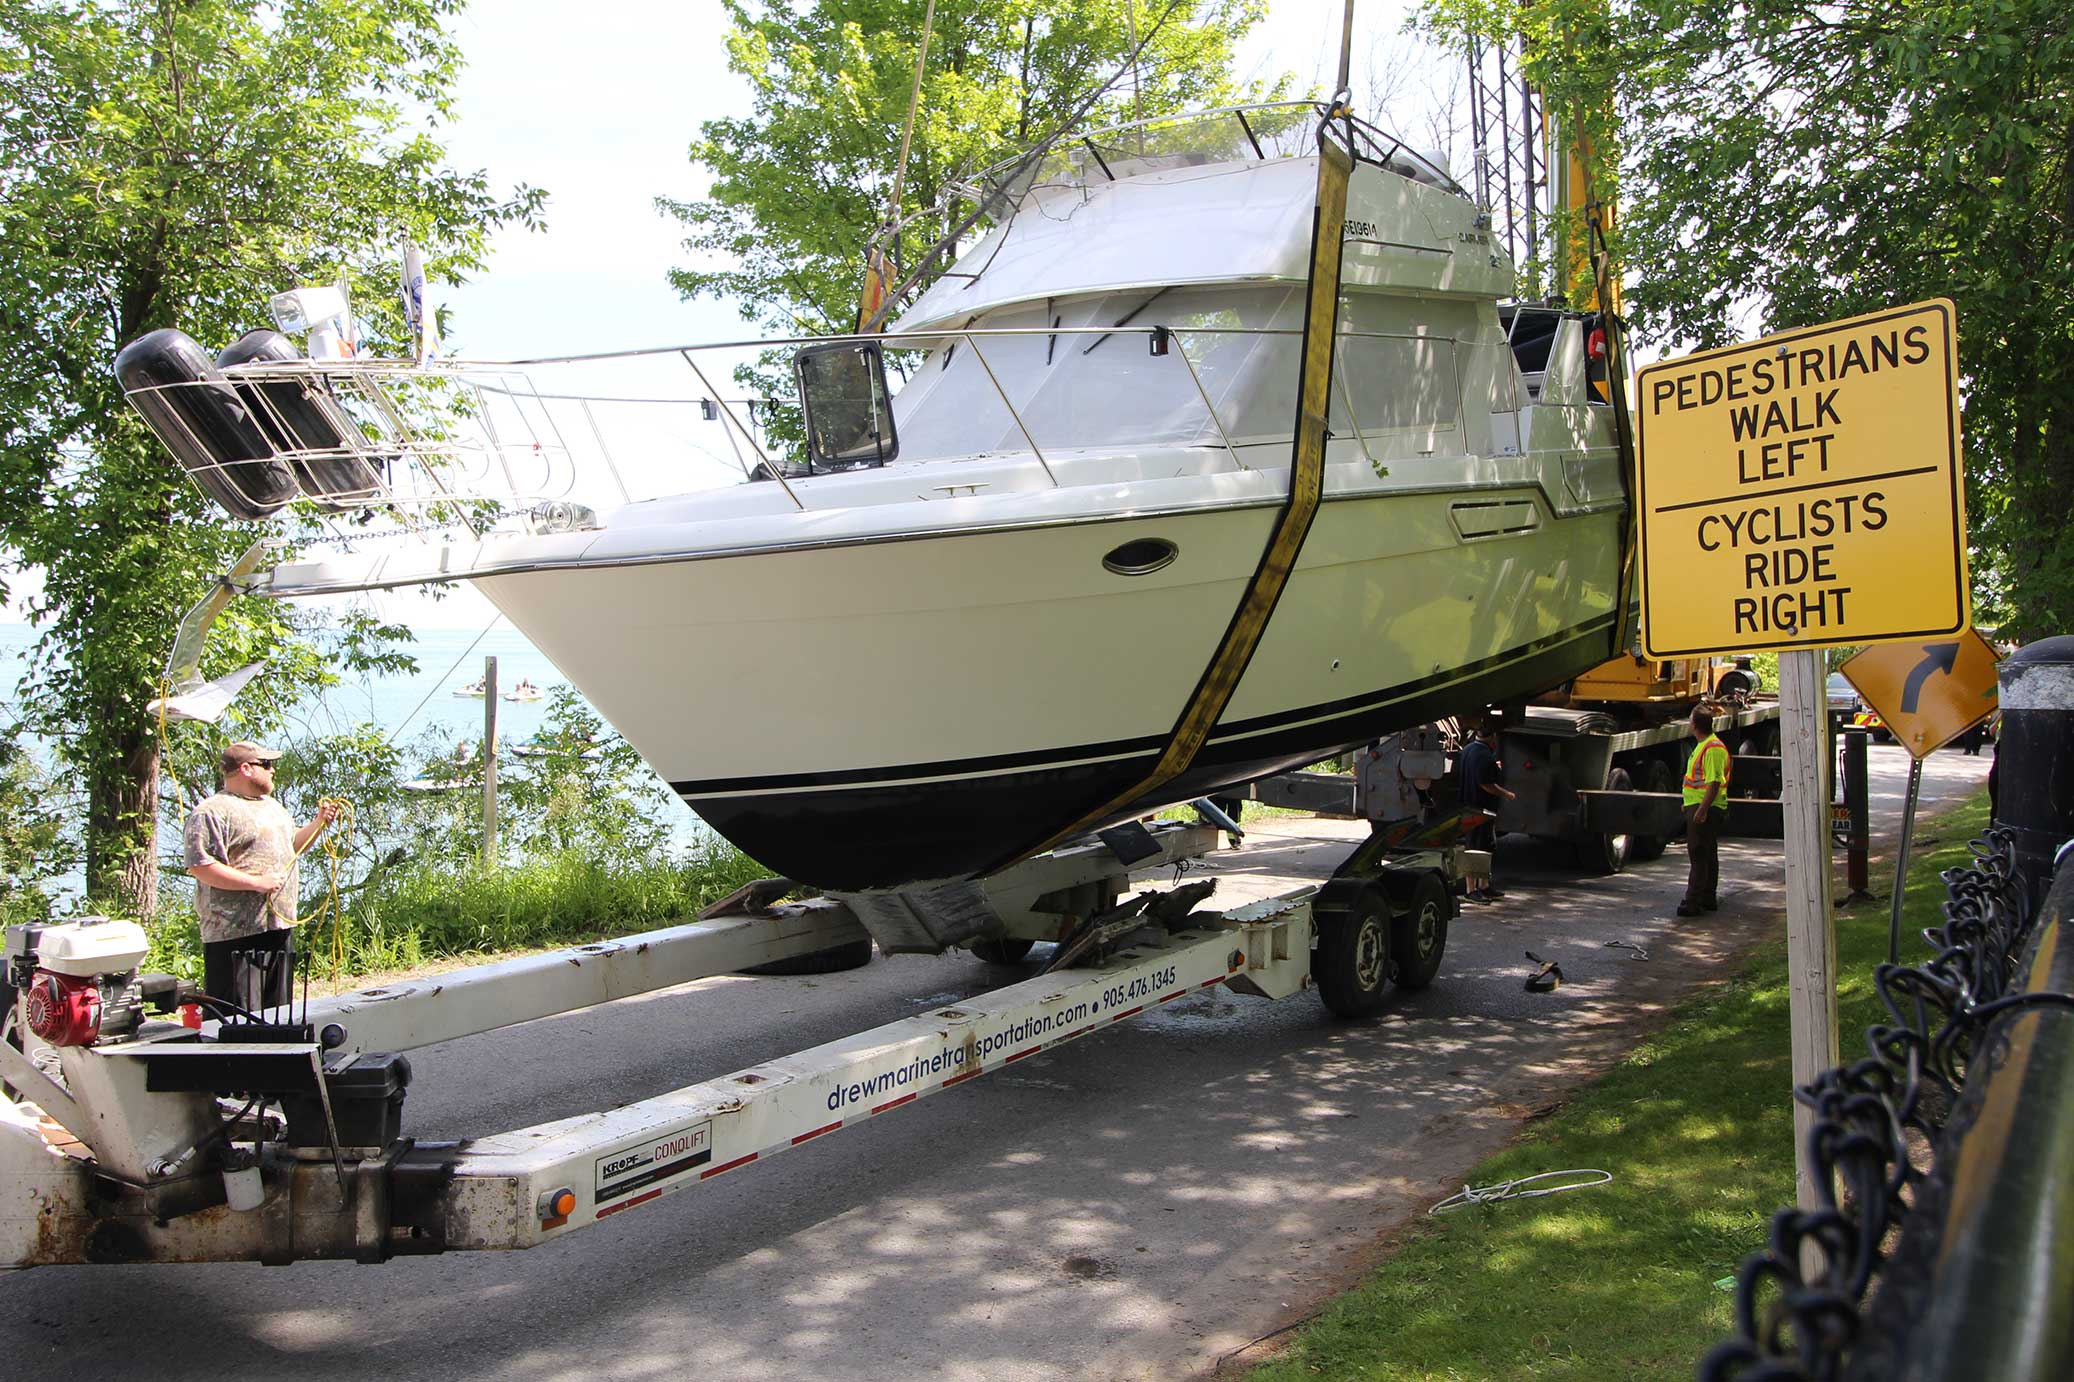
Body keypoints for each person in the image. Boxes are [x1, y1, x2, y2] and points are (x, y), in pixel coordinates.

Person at [183, 742, 340, 1011]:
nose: (272, 770)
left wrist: (318, 824)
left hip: (278, 926)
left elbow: (292, 847)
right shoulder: (211, 811)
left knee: (277, 1013)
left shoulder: (273, 807)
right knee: (237, 1017)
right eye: (266, 765)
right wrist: (256, 883)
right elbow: (200, 866)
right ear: (245, 769)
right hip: (233, 934)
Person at [1677, 706, 1732, 917]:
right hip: (1700, 805)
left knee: (1698, 852)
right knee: (1707, 851)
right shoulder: (1705, 746)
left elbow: (1714, 783)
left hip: (1706, 808)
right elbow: (1697, 782)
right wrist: (1690, 804)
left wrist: (1701, 809)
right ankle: (1707, 897)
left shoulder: (1712, 748)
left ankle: (1693, 901)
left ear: (1694, 725)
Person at [1457, 720, 1516, 902]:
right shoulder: (1484, 756)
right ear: (1492, 738)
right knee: (1476, 848)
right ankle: (1471, 890)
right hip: (1481, 809)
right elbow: (1486, 784)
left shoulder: (1467, 750)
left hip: (1468, 806)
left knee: (1485, 846)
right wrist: (1507, 794)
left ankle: (1484, 885)